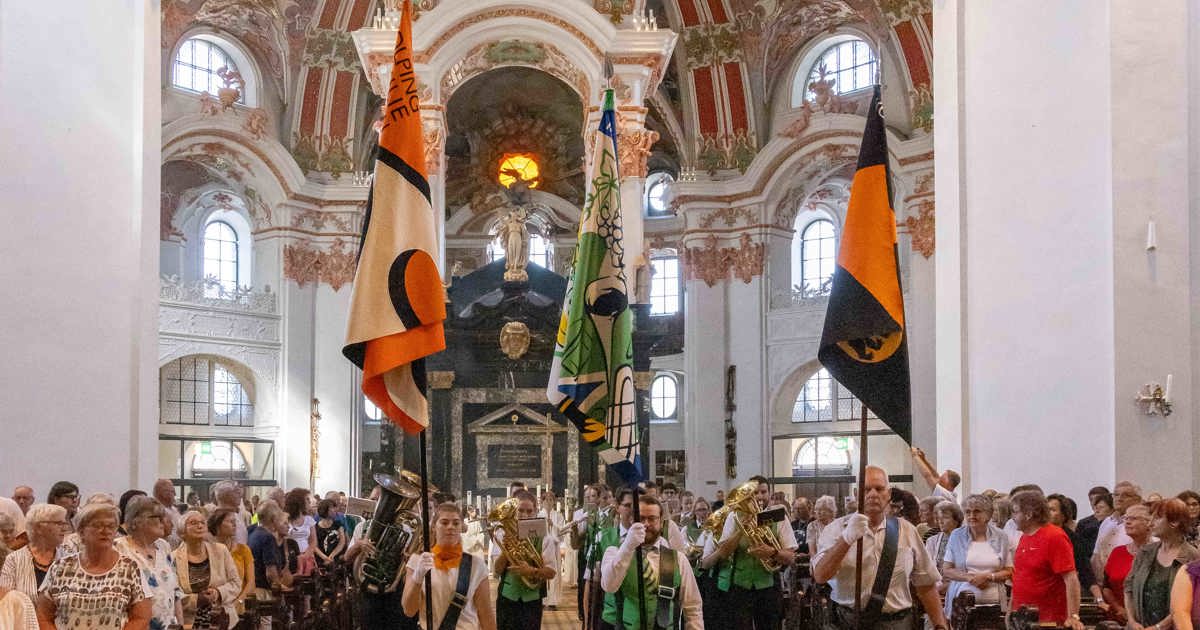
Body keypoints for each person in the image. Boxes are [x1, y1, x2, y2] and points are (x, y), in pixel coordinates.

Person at [813, 466, 948, 630]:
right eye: (867, 489)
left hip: (897, 623)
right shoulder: (835, 530)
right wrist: (846, 539)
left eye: (879, 488)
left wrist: (940, 625)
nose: (873, 494)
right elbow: (820, 575)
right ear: (856, 493)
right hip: (849, 622)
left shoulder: (906, 531)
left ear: (889, 494)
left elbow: (926, 584)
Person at [35, 503, 152, 629]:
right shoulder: (60, 567)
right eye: (97, 525)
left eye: (111, 526)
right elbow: (43, 616)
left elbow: (141, 617)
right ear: (81, 532)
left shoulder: (129, 568)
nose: (105, 531)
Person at [599, 494, 703, 629]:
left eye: (652, 519)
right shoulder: (614, 552)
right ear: (632, 520)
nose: (646, 524)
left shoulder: (678, 559)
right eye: (641, 519)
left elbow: (693, 607)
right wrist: (628, 546)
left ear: (661, 522)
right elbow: (609, 585)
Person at [708, 475, 797, 630]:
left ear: (769, 493)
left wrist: (773, 552)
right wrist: (741, 530)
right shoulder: (734, 517)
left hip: (769, 585)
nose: (759, 497)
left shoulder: (778, 515)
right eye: (754, 493)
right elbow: (723, 553)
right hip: (740, 586)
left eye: (763, 492)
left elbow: (790, 557)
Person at [402, 503, 495, 629]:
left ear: (462, 527)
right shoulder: (417, 561)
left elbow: (486, 615)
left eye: (456, 523)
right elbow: (409, 610)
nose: (450, 527)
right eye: (444, 523)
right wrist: (417, 577)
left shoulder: (476, 565)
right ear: (434, 526)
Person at [345, 485, 419, 630]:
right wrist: (359, 545)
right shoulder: (362, 527)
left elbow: (410, 563)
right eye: (373, 500)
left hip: (394, 590)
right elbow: (346, 558)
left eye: (380, 500)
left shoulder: (406, 529)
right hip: (369, 588)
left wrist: (407, 557)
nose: (380, 506)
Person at [1009, 489, 1085, 629]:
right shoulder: (1025, 537)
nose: (1012, 517)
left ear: (1028, 514)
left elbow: (1071, 578)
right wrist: (1010, 612)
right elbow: (1020, 576)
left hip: (1048, 620)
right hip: (1022, 618)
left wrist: (1073, 616)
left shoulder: (1054, 536)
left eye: (1015, 511)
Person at [1124, 498, 1198, 630]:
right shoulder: (1145, 552)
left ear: (1174, 522)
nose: (1151, 523)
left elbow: (1188, 604)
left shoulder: (1192, 558)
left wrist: (1159, 627)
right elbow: (1128, 588)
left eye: (1157, 518)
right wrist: (1131, 621)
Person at [939, 494, 1012, 621]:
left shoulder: (1001, 536)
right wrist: (970, 578)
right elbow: (947, 570)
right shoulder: (957, 535)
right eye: (968, 512)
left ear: (988, 515)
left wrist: (988, 577)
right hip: (962, 605)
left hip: (995, 604)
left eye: (977, 511)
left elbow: (1009, 571)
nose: (971, 516)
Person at [492, 489, 558, 629]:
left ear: (536, 512)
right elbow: (497, 570)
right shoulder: (502, 532)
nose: (525, 515)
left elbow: (552, 572)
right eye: (520, 510)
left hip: (532, 600)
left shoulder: (545, 537)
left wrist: (531, 571)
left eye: (529, 511)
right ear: (514, 512)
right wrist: (506, 550)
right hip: (507, 598)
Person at [115, 495, 183, 629]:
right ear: (136, 521)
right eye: (157, 517)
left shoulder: (164, 546)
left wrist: (180, 624)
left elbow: (175, 592)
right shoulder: (119, 548)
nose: (163, 522)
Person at [173, 510, 242, 627]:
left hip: (221, 618)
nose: (199, 526)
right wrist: (196, 600)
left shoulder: (221, 550)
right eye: (193, 523)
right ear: (182, 532)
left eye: (202, 523)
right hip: (189, 621)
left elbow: (236, 583)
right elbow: (173, 593)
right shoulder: (173, 557)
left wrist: (218, 593)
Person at [0, 504, 67, 600]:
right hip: (23, 614)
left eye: (65, 524)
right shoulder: (13, 560)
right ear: (39, 528)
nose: (64, 528)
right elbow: (7, 601)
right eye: (59, 523)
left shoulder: (70, 559)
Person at [209, 507, 254, 610]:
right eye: (230, 521)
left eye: (235, 522)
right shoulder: (208, 550)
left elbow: (251, 583)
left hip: (239, 605)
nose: (235, 525)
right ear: (218, 525)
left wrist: (239, 602)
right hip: (215, 605)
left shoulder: (243, 550)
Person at [248, 500, 293, 604]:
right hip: (264, 591)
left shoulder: (251, 531)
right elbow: (270, 571)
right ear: (274, 519)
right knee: (266, 619)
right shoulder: (268, 537)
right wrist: (279, 586)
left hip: (253, 587)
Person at [1094, 481, 1141, 578]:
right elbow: (1097, 554)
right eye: (1116, 495)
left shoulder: (1141, 523)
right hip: (1104, 580)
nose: (1119, 499)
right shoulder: (1107, 522)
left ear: (1137, 499)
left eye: (1125, 495)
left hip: (1129, 579)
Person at [925, 499, 964, 593]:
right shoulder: (932, 541)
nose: (940, 521)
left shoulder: (965, 540)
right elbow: (927, 568)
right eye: (938, 518)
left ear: (956, 520)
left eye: (945, 517)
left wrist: (947, 586)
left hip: (959, 586)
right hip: (935, 586)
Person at [539, 488, 566, 609]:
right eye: (546, 500)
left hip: (554, 547)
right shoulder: (539, 515)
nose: (549, 502)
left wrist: (553, 525)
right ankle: (543, 599)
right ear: (542, 502)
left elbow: (562, 531)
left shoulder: (558, 515)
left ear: (554, 502)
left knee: (555, 572)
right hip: (543, 548)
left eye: (551, 500)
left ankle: (553, 601)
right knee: (543, 572)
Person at [283, 488, 317, 576]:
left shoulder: (309, 519)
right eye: (307, 499)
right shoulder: (285, 518)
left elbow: (313, 541)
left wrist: (305, 555)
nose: (309, 502)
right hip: (290, 555)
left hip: (306, 554)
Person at [1076, 486, 1113, 556]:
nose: (1094, 503)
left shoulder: (1117, 523)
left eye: (1097, 499)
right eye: (1091, 500)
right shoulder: (1083, 523)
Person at [314, 498, 346, 569]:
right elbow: (315, 546)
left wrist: (332, 556)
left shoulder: (338, 524)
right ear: (325, 510)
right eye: (333, 507)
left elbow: (342, 542)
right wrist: (325, 558)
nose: (336, 510)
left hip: (337, 558)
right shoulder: (315, 527)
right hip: (321, 560)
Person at [151, 478, 183, 548]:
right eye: (172, 491)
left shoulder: (174, 509)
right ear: (163, 493)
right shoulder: (154, 511)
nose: (175, 494)